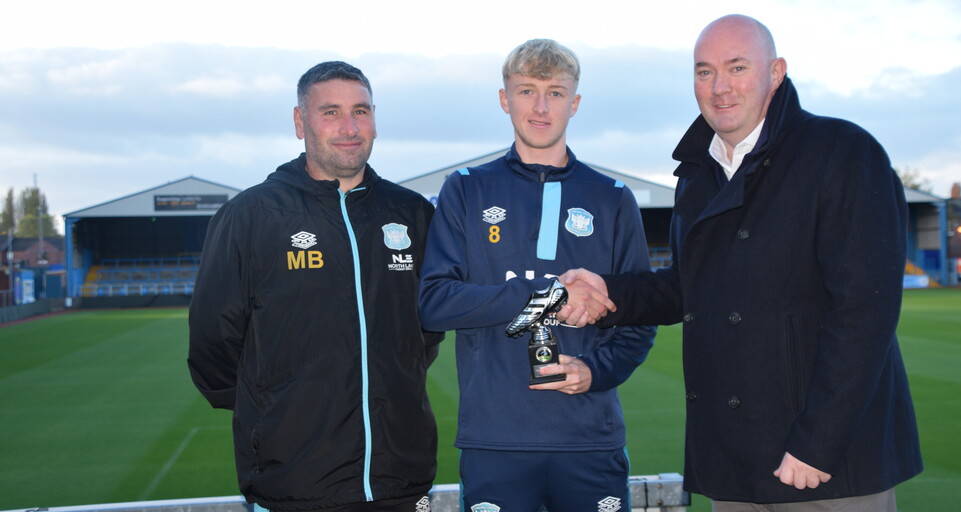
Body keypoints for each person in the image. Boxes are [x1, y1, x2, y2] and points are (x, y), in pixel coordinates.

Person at [558, 14, 923, 511]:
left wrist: (819, 441)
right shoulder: (698, 171)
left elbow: (865, 312)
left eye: (736, 68)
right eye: (704, 71)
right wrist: (607, 291)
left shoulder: (842, 151)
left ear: (776, 73)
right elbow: (691, 288)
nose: (719, 87)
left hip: (827, 466)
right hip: (736, 459)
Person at [188, 61, 441, 512]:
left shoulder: (412, 213)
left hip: (401, 477)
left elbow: (425, 333)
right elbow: (213, 342)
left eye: (361, 111)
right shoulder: (250, 216)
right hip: (294, 484)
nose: (349, 127)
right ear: (299, 121)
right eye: (331, 112)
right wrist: (271, 413)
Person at [417, 39, 656, 512]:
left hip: (590, 439)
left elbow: (640, 318)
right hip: (495, 440)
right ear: (505, 99)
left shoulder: (611, 198)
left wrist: (595, 371)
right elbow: (435, 302)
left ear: (576, 102)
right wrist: (545, 296)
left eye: (555, 92)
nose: (541, 107)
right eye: (526, 91)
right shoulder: (465, 189)